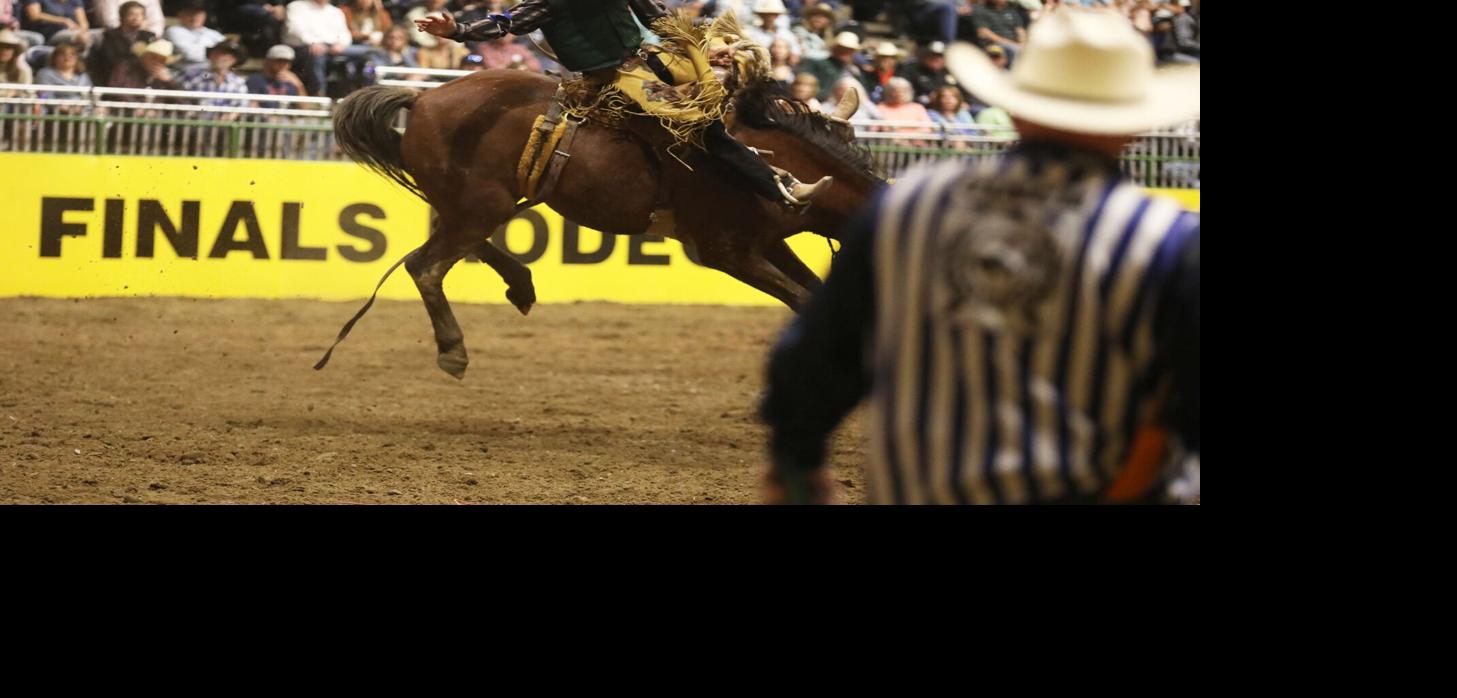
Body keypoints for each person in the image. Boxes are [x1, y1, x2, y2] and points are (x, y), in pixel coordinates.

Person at [758, 7, 1200, 504]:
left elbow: (821, 355)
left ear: (1015, 108)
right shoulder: (1168, 239)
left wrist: (798, 460)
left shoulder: (907, 209)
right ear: (1133, 128)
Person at [416, 0, 830, 208]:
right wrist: (459, 30)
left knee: (732, 80)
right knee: (699, 125)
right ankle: (782, 187)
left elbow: (658, 18)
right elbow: (509, 21)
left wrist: (704, 48)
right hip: (614, 78)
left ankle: (785, 140)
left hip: (649, 60)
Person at [285, 0, 352, 96]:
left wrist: (341, 44)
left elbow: (345, 34)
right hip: (305, 46)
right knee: (317, 55)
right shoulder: (297, 6)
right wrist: (313, 42)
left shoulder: (336, 11)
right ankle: (320, 94)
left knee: (369, 52)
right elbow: (295, 30)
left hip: (334, 48)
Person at [165, 1, 224, 73]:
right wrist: (217, 54)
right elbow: (191, 55)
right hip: (186, 73)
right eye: (190, 13)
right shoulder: (174, 31)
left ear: (205, 15)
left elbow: (230, 54)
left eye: (198, 14)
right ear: (180, 15)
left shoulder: (214, 34)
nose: (194, 17)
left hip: (212, 73)